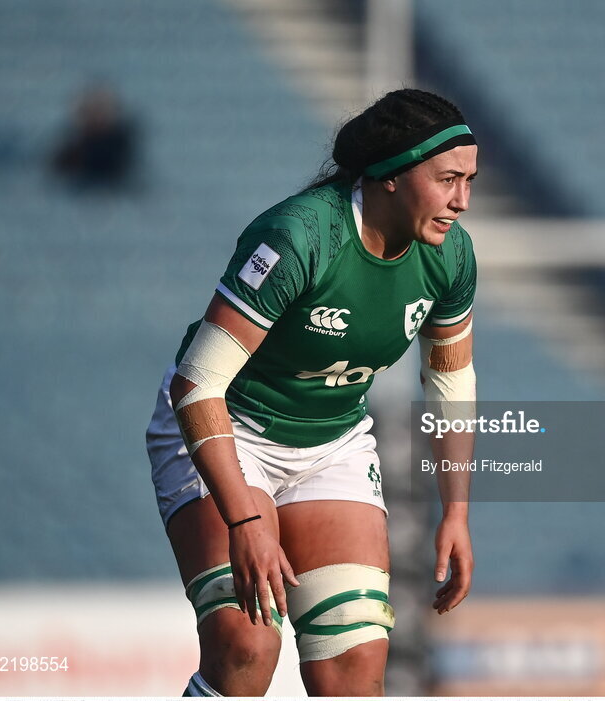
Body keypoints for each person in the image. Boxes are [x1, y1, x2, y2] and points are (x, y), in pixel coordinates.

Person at [146, 88, 478, 697]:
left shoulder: (451, 256)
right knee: (246, 646)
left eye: (469, 181)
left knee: (355, 666)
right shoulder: (299, 237)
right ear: (390, 178)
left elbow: (451, 382)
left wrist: (455, 511)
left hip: (332, 443)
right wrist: (244, 517)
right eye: (448, 180)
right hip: (226, 429)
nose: (462, 201)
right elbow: (199, 385)